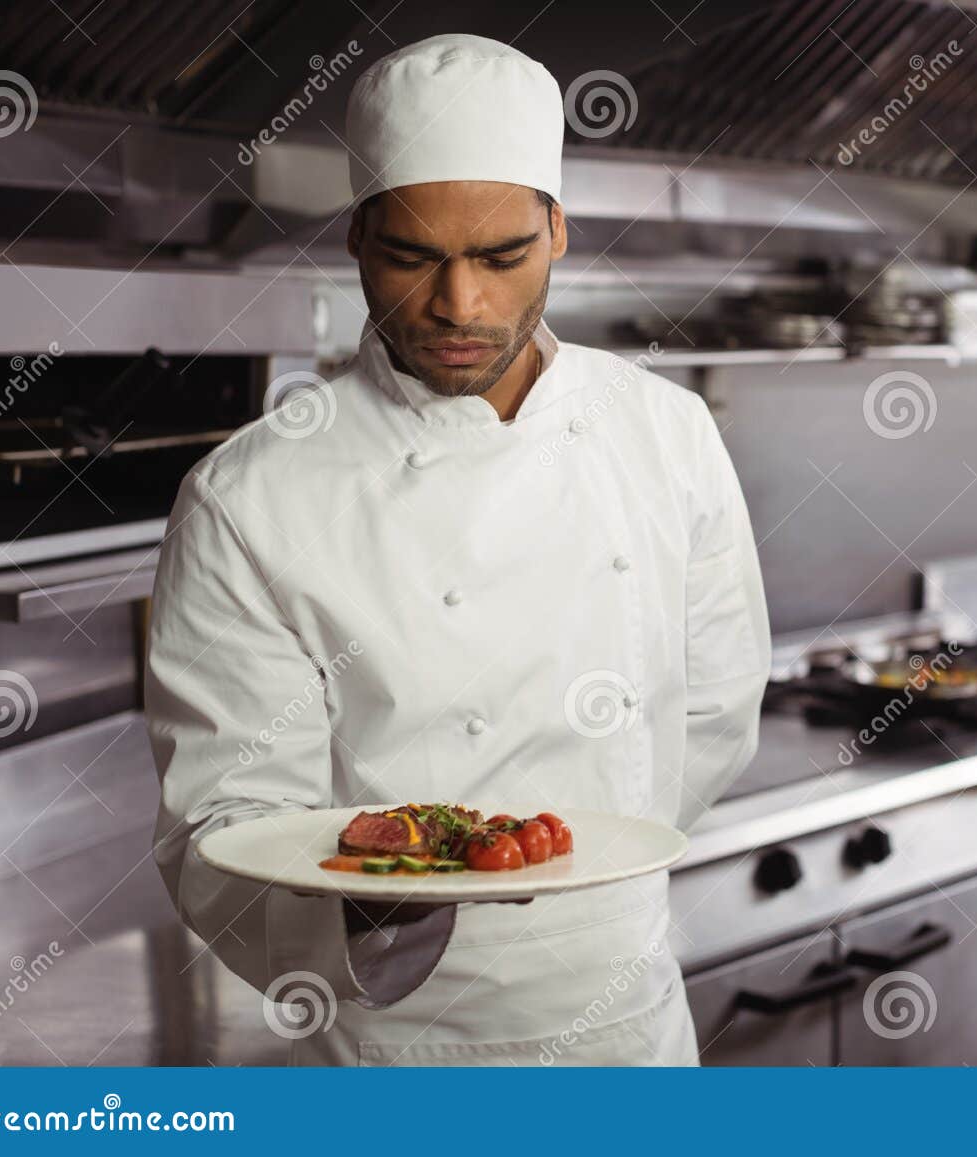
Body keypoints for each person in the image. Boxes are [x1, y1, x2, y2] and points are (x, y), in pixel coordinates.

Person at [145, 33, 770, 1066]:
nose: (458, 306)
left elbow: (717, 709)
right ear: (355, 239)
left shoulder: (666, 431)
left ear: (558, 230)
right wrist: (393, 903)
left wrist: (579, 880)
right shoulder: (251, 494)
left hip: (627, 1023)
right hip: (396, 1046)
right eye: (412, 256)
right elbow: (224, 822)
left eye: (499, 256)